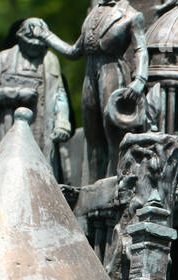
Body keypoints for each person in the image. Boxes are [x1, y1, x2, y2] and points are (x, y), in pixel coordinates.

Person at [40, 0, 149, 181]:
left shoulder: (132, 15)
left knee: (114, 131)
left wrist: (140, 79)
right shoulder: (93, 13)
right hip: (90, 74)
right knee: (92, 133)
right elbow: (74, 51)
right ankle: (93, 185)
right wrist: (47, 36)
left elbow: (141, 49)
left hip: (113, 71)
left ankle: (117, 181)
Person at [0, 19, 71, 180]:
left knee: (38, 176)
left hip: (41, 132)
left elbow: (59, 93)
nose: (35, 48)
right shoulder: (3, 59)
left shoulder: (50, 61)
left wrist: (62, 122)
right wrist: (18, 93)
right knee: (4, 175)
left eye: (39, 45)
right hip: (7, 130)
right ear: (19, 38)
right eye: (30, 43)